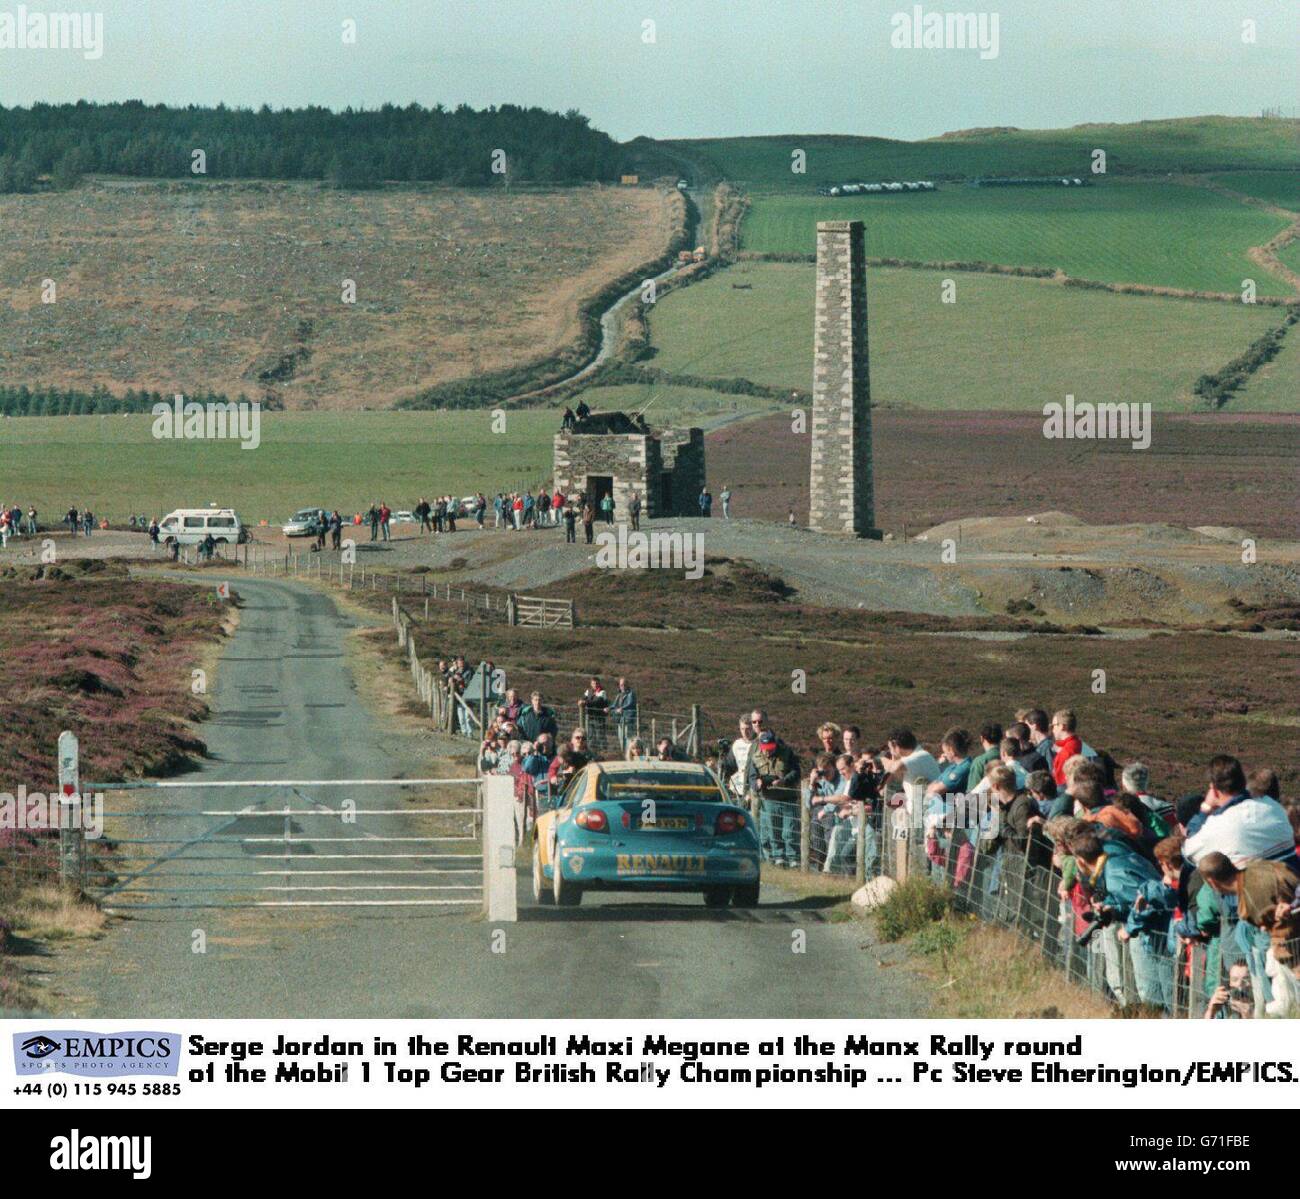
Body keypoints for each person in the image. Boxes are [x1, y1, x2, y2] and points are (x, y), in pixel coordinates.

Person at [1198, 850, 1300, 965]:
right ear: (1232, 865)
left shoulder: (1251, 898)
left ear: (1212, 883)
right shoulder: (1260, 867)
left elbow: (1284, 934)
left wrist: (1285, 964)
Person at [750, 728, 801, 868]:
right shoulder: (755, 756)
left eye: (770, 748)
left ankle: (793, 859)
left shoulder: (787, 752)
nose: (768, 751)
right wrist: (757, 784)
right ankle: (778, 858)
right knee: (773, 831)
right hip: (769, 799)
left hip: (788, 799)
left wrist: (783, 780)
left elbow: (796, 772)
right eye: (765, 748)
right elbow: (752, 777)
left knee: (790, 831)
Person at [610, 677, 638, 750]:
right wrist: (609, 708)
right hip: (620, 719)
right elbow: (614, 704)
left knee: (628, 737)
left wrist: (622, 708)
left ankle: (628, 752)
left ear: (627, 685)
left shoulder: (631, 693)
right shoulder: (619, 694)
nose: (622, 686)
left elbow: (630, 704)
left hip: (628, 719)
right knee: (621, 737)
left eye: (624, 685)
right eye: (621, 685)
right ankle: (623, 753)